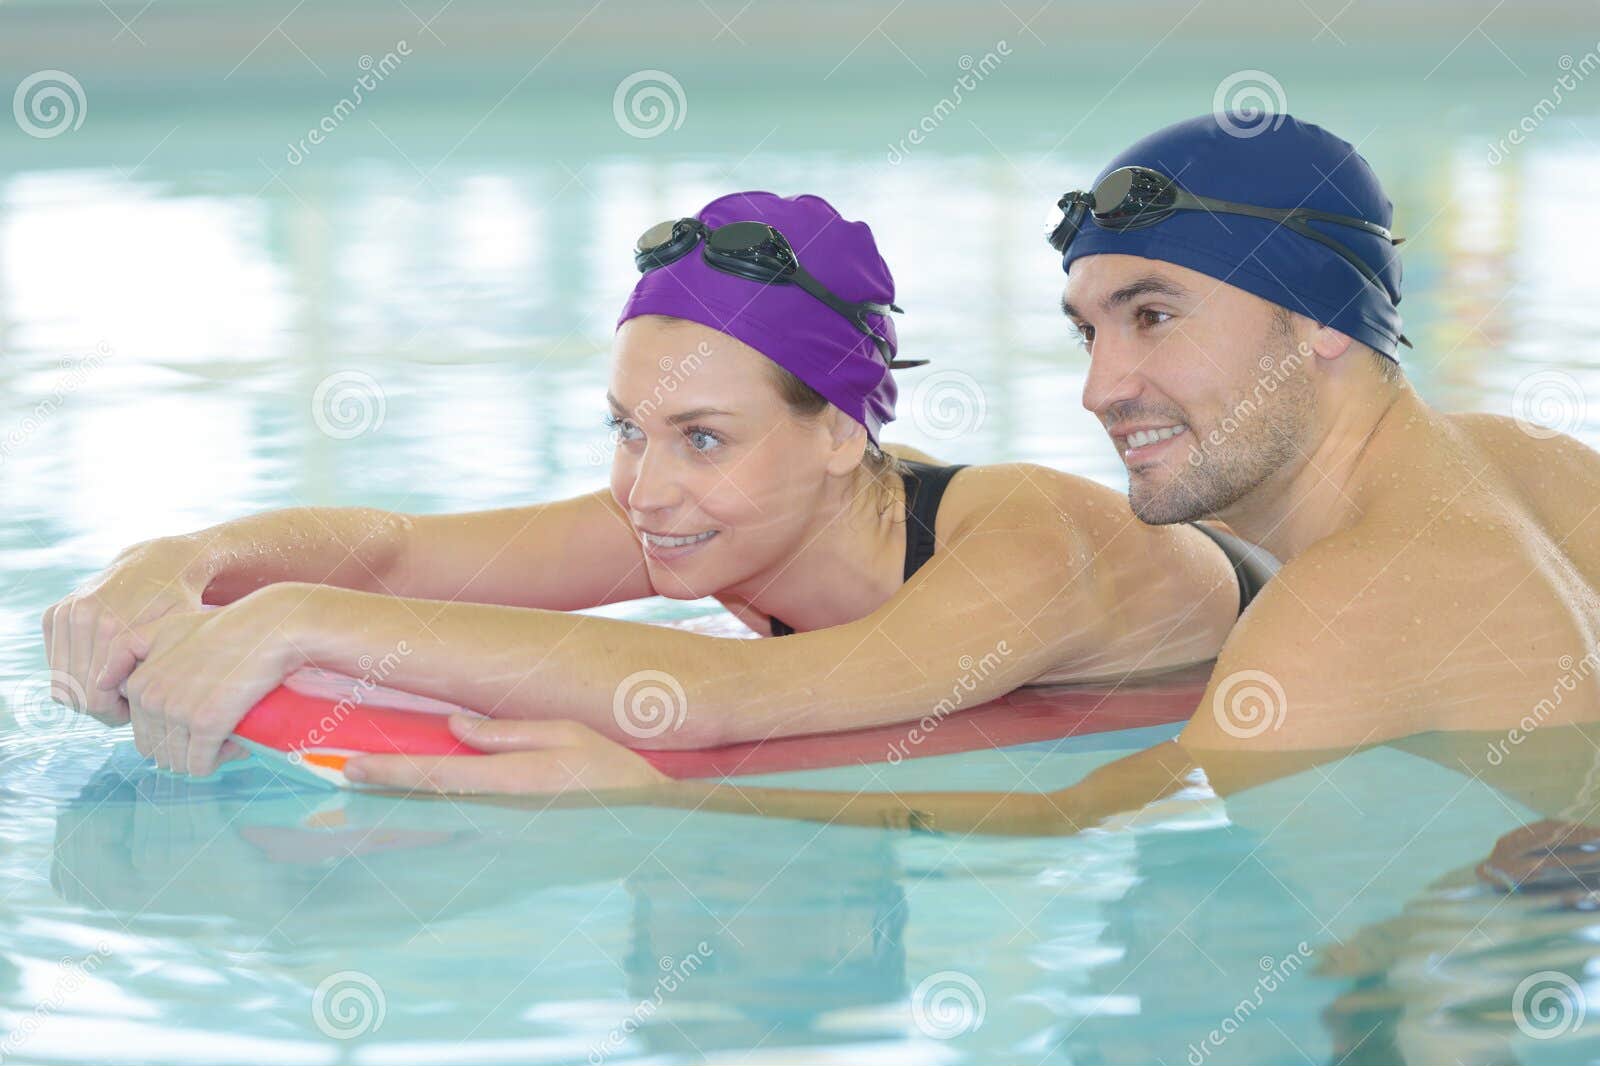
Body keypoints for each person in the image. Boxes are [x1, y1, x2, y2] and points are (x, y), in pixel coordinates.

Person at [325, 113, 1600, 828]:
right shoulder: (1528, 469)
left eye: (1153, 316)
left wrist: (659, 804)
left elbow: (1115, 830)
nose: (1100, 388)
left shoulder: (1313, 643)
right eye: (1087, 330)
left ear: (1320, 321)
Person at [44, 190, 1263, 778]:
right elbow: (401, 552)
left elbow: (721, 695)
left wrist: (290, 621)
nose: (645, 486)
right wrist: (174, 565)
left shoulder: (1029, 540)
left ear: (842, 434)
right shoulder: (715, 516)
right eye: (626, 428)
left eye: (701, 437)